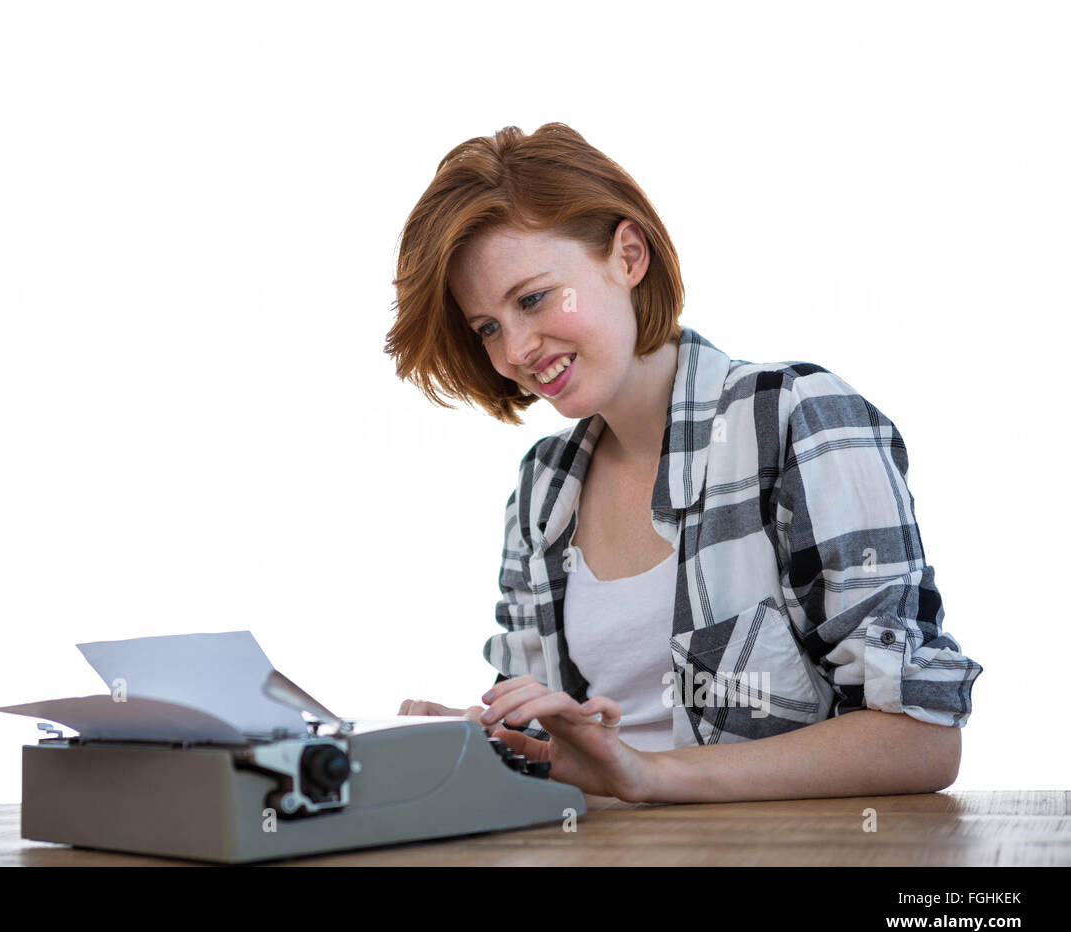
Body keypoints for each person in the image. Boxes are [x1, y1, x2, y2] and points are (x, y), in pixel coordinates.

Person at [383, 123, 982, 805]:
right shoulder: (541, 488)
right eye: (488, 327)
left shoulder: (794, 418)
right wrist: (484, 741)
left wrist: (651, 775)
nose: (516, 350)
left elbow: (922, 739)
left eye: (532, 299)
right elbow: (559, 751)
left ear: (628, 256)